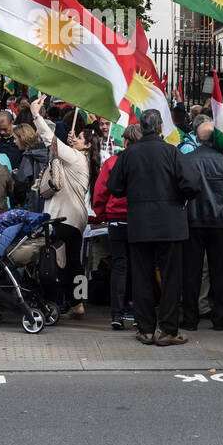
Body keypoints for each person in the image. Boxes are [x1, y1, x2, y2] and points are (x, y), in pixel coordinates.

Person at [106, 109, 201, 344]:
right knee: (171, 278)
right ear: (160, 128)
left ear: (143, 127)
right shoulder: (172, 152)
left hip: (140, 223)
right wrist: (182, 196)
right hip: (170, 223)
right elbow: (192, 183)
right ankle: (167, 329)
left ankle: (146, 329)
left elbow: (114, 186)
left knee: (141, 276)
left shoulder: (129, 154)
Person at [31, 99, 100, 318]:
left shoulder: (77, 158)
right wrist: (70, 143)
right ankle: (79, 302)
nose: (75, 138)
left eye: (79, 138)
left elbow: (50, 141)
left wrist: (36, 115)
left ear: (87, 145)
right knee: (74, 263)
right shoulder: (86, 160)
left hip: (62, 218)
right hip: (77, 220)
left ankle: (54, 299)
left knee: (54, 261)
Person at [182, 116, 223, 331]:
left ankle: (190, 319)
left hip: (194, 220)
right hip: (219, 221)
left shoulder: (187, 159)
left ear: (197, 138)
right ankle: (220, 319)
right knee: (221, 271)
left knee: (192, 271)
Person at [93, 123, 137, 330]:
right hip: (139, 220)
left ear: (125, 141)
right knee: (139, 267)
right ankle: (137, 311)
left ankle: (116, 314)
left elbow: (100, 192)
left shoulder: (112, 162)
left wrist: (102, 214)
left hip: (117, 220)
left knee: (119, 265)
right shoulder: (145, 163)